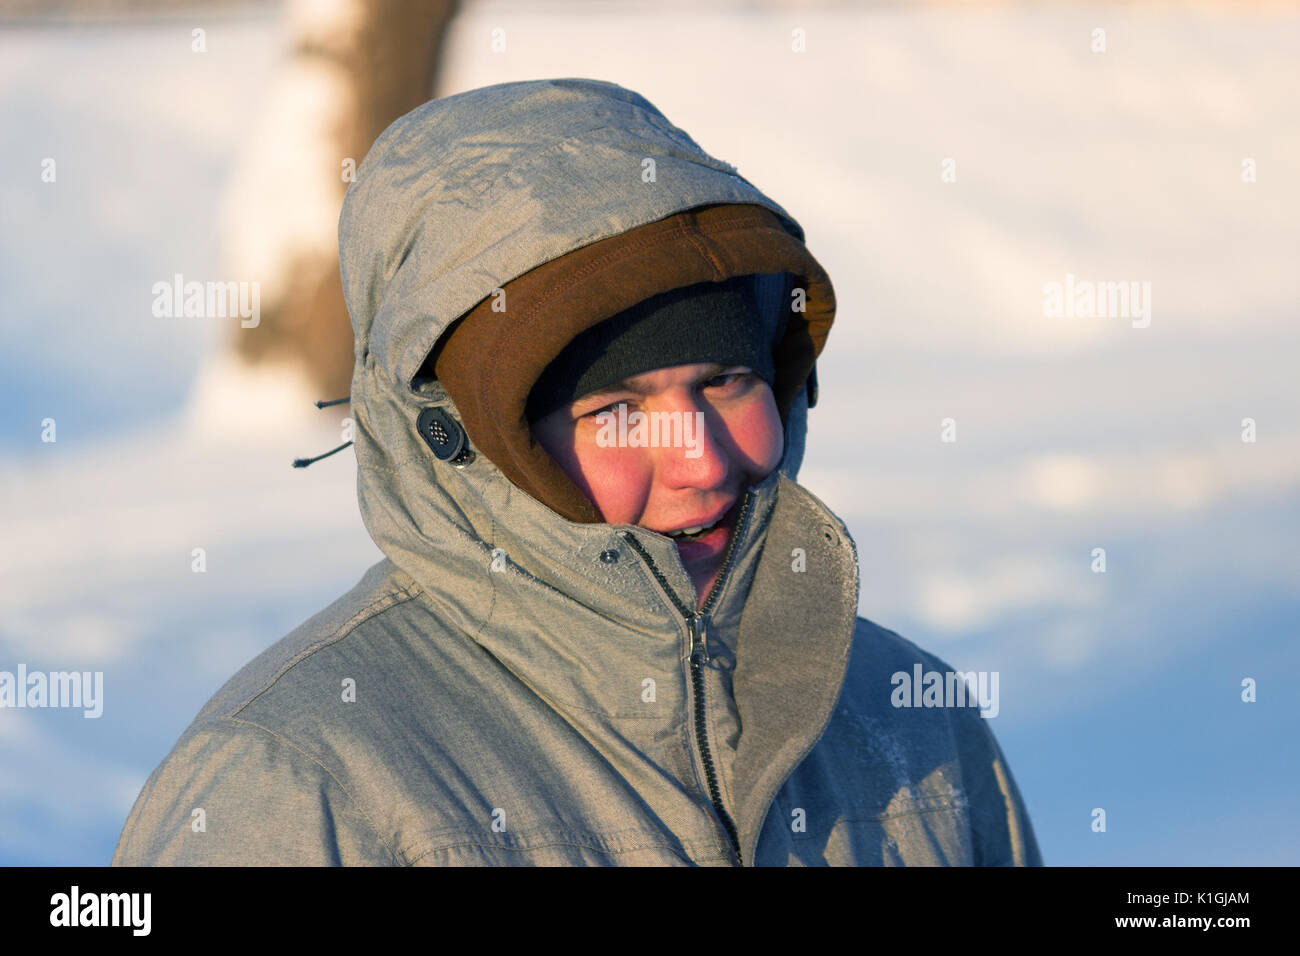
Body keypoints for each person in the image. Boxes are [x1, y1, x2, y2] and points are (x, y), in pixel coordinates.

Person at [111, 77, 1041, 866]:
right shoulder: (294, 782)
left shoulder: (909, 716)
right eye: (615, 410)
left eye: (726, 380)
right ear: (465, 444)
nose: (700, 462)